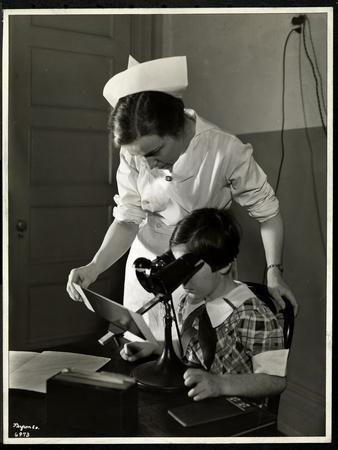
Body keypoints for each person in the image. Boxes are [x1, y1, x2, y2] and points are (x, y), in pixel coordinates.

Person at [66, 55, 297, 341]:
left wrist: (274, 272)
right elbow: (128, 218)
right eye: (139, 157)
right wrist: (95, 266)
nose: (147, 165)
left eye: (154, 153)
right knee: (142, 350)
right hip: (148, 266)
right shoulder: (136, 152)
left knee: (195, 359)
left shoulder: (224, 150)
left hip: (201, 272)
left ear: (177, 128)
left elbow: (269, 214)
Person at [121, 208, 288, 400]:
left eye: (190, 269)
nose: (182, 280)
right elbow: (191, 348)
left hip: (232, 413)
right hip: (194, 400)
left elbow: (275, 380)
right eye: (177, 267)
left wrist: (221, 384)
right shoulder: (190, 300)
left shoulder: (254, 315)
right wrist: (157, 347)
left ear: (224, 264)